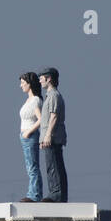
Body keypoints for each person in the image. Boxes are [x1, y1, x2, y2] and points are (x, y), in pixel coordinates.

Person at [39, 67, 68, 201]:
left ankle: (56, 194)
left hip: (53, 138)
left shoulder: (54, 96)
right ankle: (58, 194)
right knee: (54, 165)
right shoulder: (50, 96)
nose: (40, 81)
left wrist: (48, 135)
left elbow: (54, 116)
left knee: (53, 166)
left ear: (49, 78)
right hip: (50, 137)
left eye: (42, 78)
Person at [18, 72, 43, 201]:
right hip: (24, 136)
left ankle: (34, 194)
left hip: (30, 136)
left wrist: (28, 132)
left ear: (30, 84)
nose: (21, 85)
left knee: (32, 167)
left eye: (23, 83)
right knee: (29, 166)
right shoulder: (28, 100)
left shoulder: (35, 100)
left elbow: (41, 119)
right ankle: (33, 192)